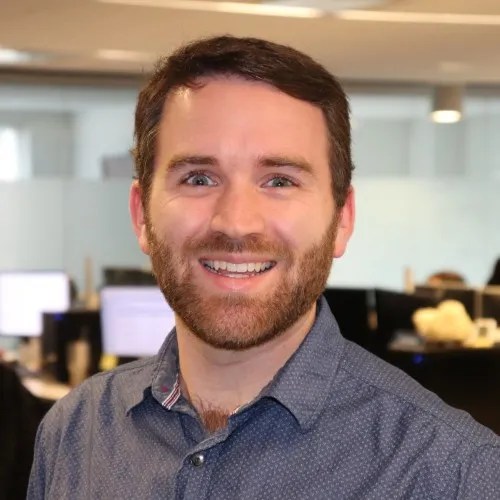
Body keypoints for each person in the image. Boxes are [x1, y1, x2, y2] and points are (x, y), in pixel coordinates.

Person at [28, 36, 499, 499]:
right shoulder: (76, 433)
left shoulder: (456, 474)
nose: (236, 222)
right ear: (141, 217)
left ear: (342, 220)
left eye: (279, 181)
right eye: (198, 178)